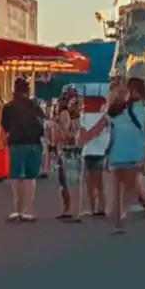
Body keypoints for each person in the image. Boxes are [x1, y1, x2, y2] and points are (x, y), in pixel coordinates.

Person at [82, 76, 145, 234]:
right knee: (129, 188)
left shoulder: (139, 109)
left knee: (133, 188)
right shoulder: (130, 108)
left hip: (129, 152)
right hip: (125, 152)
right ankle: (125, 220)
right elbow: (110, 123)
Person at [0, 77, 45, 222]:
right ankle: (28, 210)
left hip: (17, 144)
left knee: (17, 177)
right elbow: (43, 123)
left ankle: (16, 210)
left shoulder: (8, 107)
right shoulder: (34, 106)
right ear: (27, 89)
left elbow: (5, 130)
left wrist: (5, 143)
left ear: (14, 89)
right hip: (34, 143)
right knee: (30, 178)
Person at [54, 87, 86, 221]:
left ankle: (73, 211)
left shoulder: (66, 114)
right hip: (70, 149)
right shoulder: (76, 115)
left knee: (70, 181)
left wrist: (63, 133)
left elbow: (66, 132)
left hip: (68, 149)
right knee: (68, 181)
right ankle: (70, 210)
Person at [82, 91, 111, 217]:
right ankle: (99, 207)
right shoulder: (105, 119)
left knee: (93, 182)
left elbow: (88, 135)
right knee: (97, 183)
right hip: (98, 151)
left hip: (93, 151)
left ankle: (98, 207)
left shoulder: (100, 119)